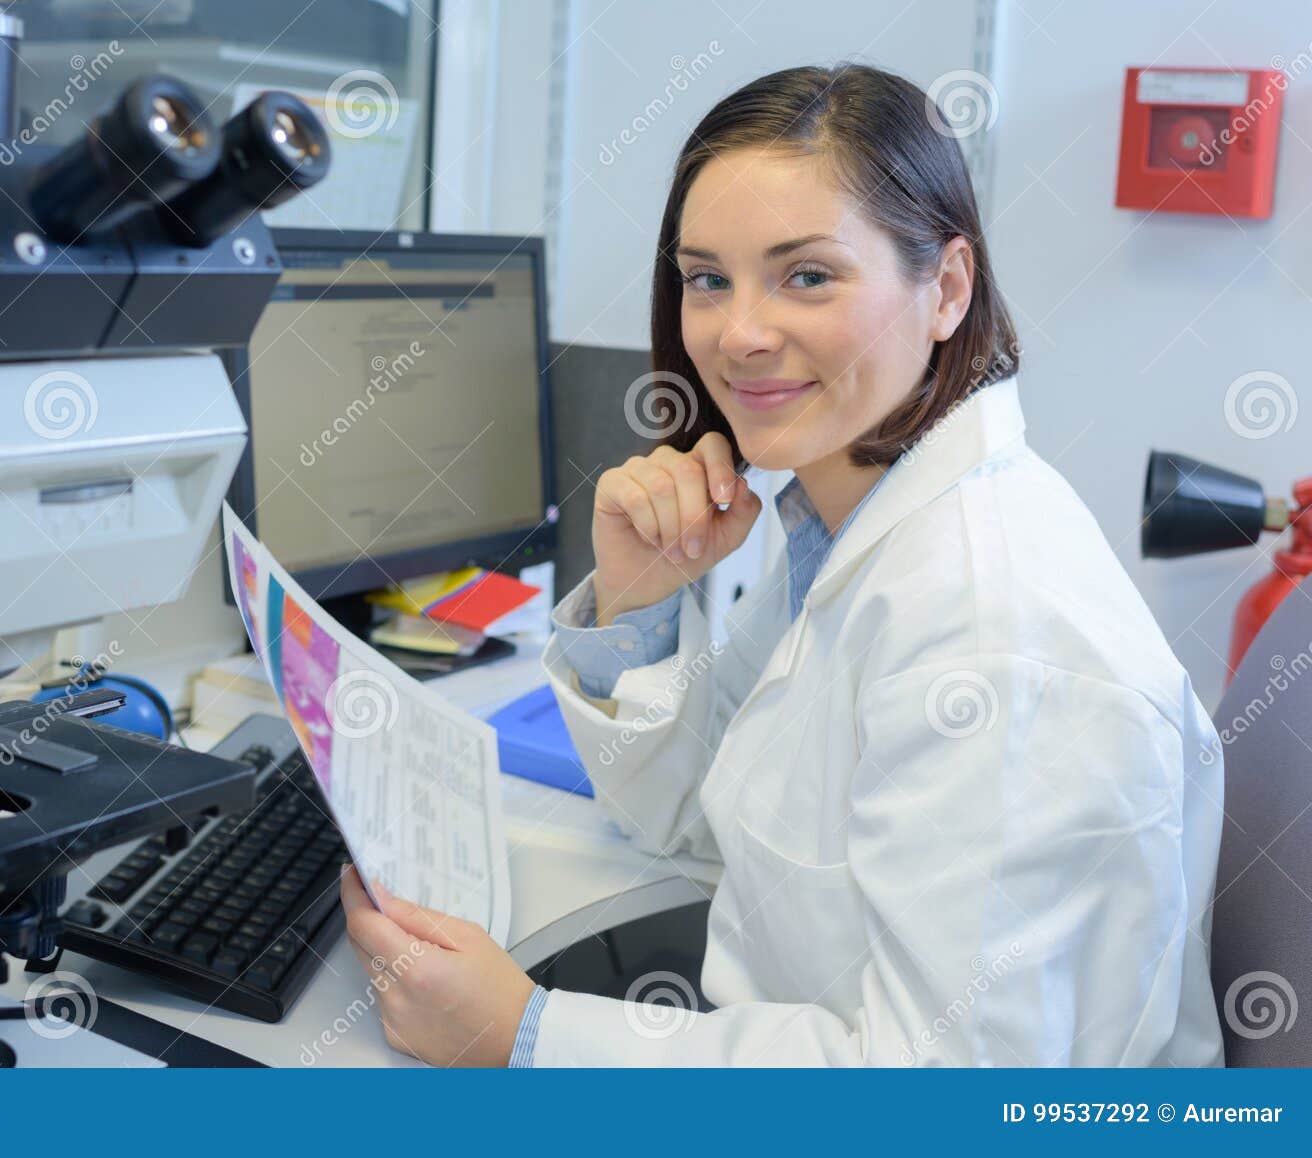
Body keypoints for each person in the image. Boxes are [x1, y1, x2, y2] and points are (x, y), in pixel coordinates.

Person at [339, 62, 1225, 1067]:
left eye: (806, 275)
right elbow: (689, 814)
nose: (741, 333)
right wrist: (636, 602)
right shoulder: (844, 522)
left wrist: (523, 1035)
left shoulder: (988, 632)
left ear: (944, 288)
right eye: (706, 278)